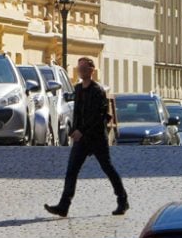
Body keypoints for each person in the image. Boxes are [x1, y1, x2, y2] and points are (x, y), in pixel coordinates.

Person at [44, 56, 129, 218]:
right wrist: (73, 130)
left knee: (107, 168)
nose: (81, 71)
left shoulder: (98, 91)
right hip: (81, 139)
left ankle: (122, 200)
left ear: (91, 70)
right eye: (79, 68)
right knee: (71, 170)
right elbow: (76, 113)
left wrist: (82, 131)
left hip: (96, 138)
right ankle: (64, 205)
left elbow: (99, 116)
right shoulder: (78, 89)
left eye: (84, 68)